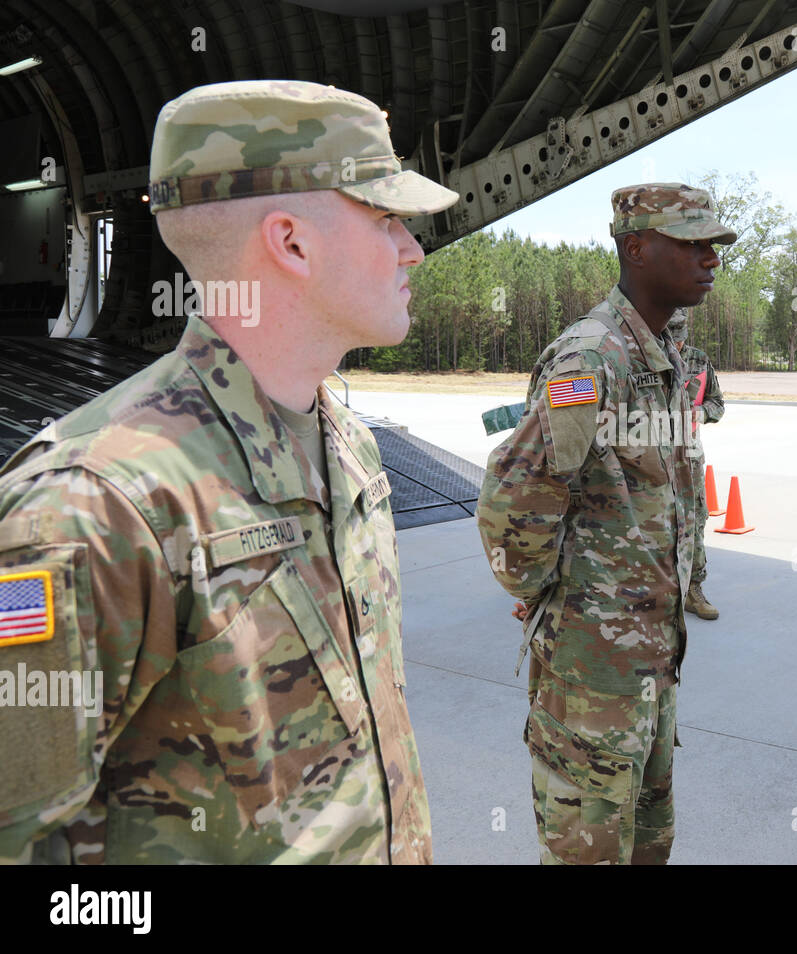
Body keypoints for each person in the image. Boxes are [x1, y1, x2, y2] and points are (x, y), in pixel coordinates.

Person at [0, 80, 458, 863]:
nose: (413, 248)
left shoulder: (348, 446)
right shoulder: (92, 509)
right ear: (291, 243)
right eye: (386, 218)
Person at [477, 183, 733, 865]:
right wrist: (541, 592)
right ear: (636, 247)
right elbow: (516, 503)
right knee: (586, 853)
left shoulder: (662, 355)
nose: (711, 258)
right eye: (693, 243)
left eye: (715, 245)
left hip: (651, 663)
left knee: (649, 843)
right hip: (593, 675)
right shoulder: (592, 359)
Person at [667, 309, 725, 620]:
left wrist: (700, 414)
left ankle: (693, 590)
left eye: (679, 340)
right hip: (654, 456)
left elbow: (718, 403)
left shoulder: (700, 361)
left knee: (696, 519)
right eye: (669, 339)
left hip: (689, 455)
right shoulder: (647, 359)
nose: (674, 346)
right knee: (656, 522)